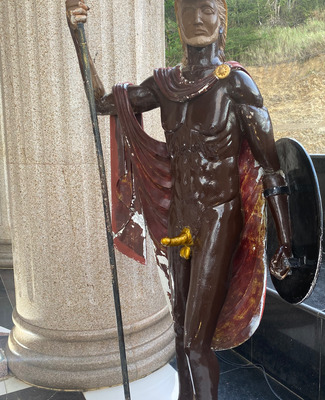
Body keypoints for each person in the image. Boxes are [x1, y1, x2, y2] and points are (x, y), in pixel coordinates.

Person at [66, 1, 293, 399]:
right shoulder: (165, 85)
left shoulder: (236, 84)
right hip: (180, 216)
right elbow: (102, 102)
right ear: (178, 18)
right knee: (180, 332)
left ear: (221, 18)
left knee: (195, 341)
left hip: (219, 216)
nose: (197, 18)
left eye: (207, 8)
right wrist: (77, 34)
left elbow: (271, 168)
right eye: (188, 8)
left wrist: (286, 241)